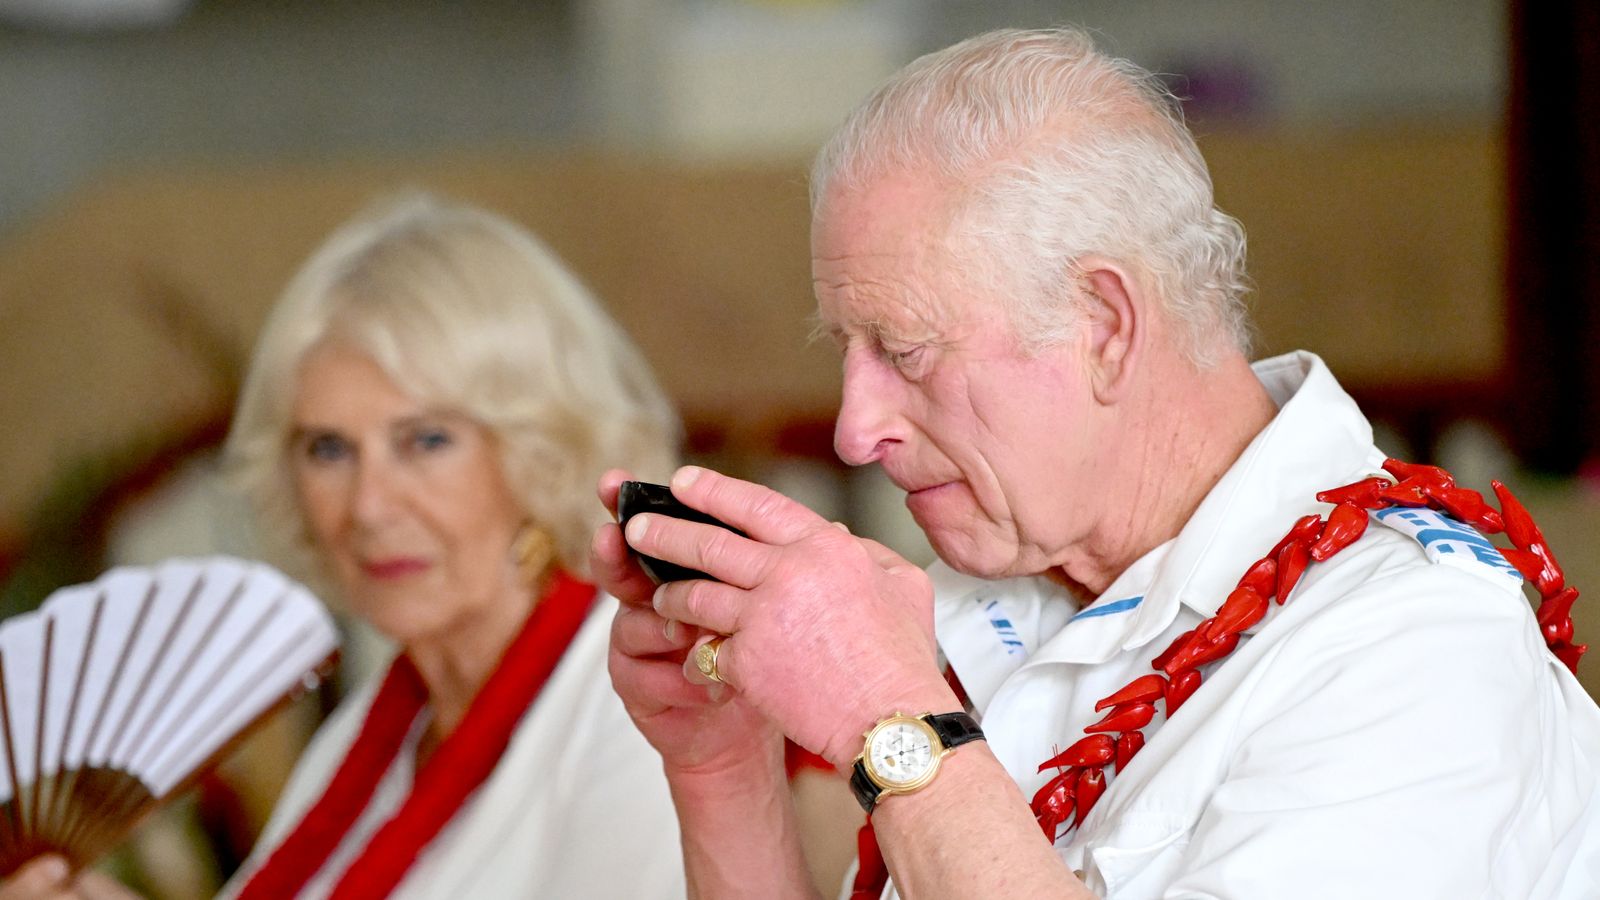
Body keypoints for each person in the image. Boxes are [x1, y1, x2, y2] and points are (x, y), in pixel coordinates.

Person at [595, 27, 1600, 899]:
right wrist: (724, 771)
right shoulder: (992, 599)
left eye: (904, 354)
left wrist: (891, 721)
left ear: (1106, 327)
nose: (856, 431)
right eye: (845, 354)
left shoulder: (1413, 644)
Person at [4, 194, 688, 897]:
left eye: (425, 441)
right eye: (328, 449)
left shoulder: (636, 698)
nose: (368, 505)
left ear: (538, 449)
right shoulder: (364, 736)